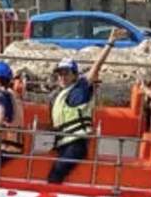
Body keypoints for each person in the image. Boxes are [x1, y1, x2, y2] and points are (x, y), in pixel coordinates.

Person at [45, 28, 123, 184]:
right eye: (60, 74)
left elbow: (96, 68)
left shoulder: (81, 89)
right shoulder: (59, 95)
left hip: (76, 144)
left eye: (66, 73)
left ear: (74, 75)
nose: (62, 77)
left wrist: (109, 43)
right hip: (62, 143)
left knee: (55, 175)